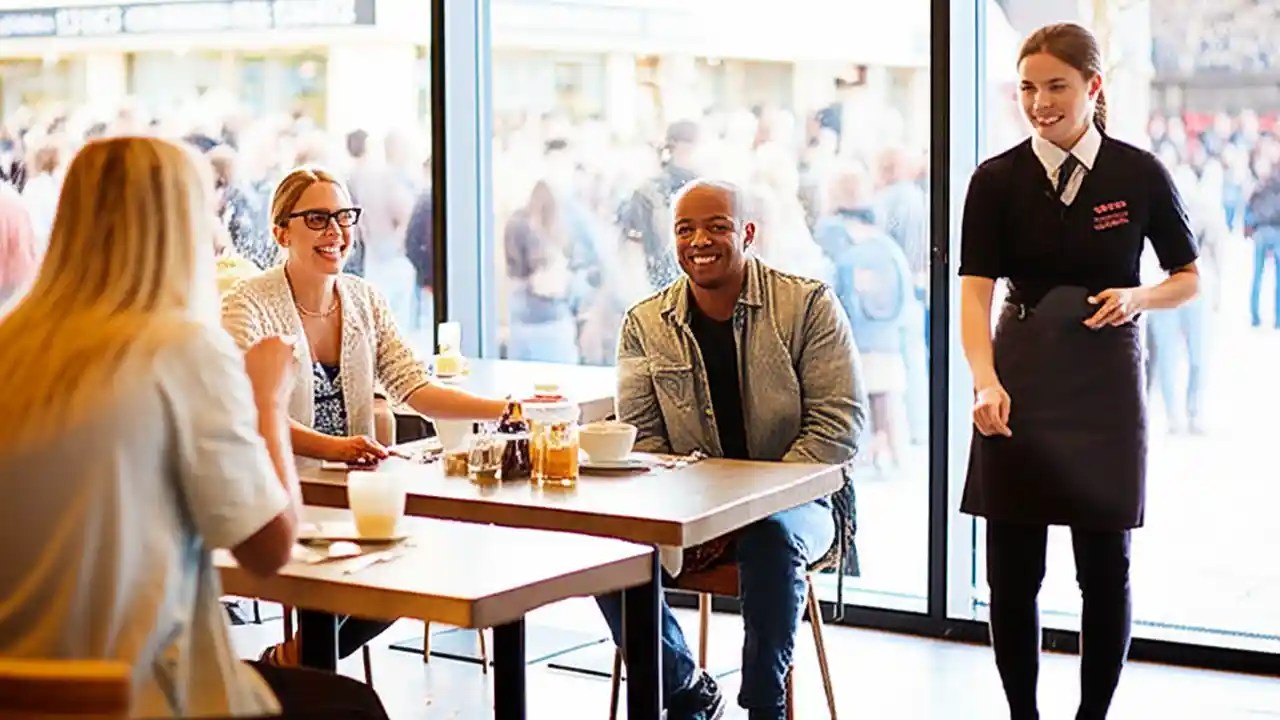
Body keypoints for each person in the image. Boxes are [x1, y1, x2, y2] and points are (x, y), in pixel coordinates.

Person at [0, 136, 389, 718]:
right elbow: (268, 548)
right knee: (351, 708)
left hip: (19, 694)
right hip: (140, 698)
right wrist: (265, 399)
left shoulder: (12, 345)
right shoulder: (182, 350)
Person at [957, 24, 1200, 720]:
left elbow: (1188, 278)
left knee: (1105, 568)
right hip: (1019, 379)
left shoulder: (1138, 173)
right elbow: (974, 295)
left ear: (1093, 87)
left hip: (1105, 386)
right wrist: (984, 380)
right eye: (1028, 88)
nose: (1040, 103)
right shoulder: (995, 180)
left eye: (1056, 86)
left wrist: (1139, 297)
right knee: (1011, 574)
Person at [222, 165, 512, 666]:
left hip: (354, 491)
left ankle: (290, 662)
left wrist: (509, 409)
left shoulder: (364, 299)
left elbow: (415, 387)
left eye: (344, 216)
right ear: (281, 233)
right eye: (317, 219)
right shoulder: (246, 304)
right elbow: (248, 411)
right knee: (397, 566)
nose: (335, 231)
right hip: (278, 493)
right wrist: (336, 448)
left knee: (422, 562)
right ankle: (298, 667)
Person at [604, 178, 866, 720]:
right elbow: (642, 440)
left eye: (717, 226)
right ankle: (683, 689)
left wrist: (744, 509)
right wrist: (701, 513)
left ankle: (764, 706)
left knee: (769, 536)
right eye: (685, 229)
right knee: (608, 547)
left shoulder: (807, 305)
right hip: (691, 509)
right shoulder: (644, 324)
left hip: (801, 507)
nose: (699, 240)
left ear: (746, 233)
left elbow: (837, 428)